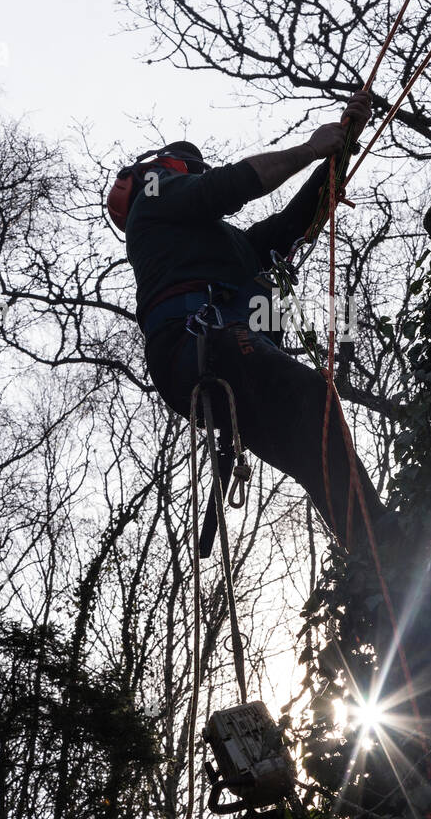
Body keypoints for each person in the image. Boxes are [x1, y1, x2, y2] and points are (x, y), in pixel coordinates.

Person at [119, 91, 389, 551]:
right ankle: (385, 539)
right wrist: (309, 149)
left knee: (315, 440)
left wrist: (344, 143)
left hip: (228, 350)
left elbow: (294, 224)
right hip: (197, 343)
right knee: (313, 395)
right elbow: (223, 188)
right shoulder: (152, 191)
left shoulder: (232, 249)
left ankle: (378, 555)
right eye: (188, 168)